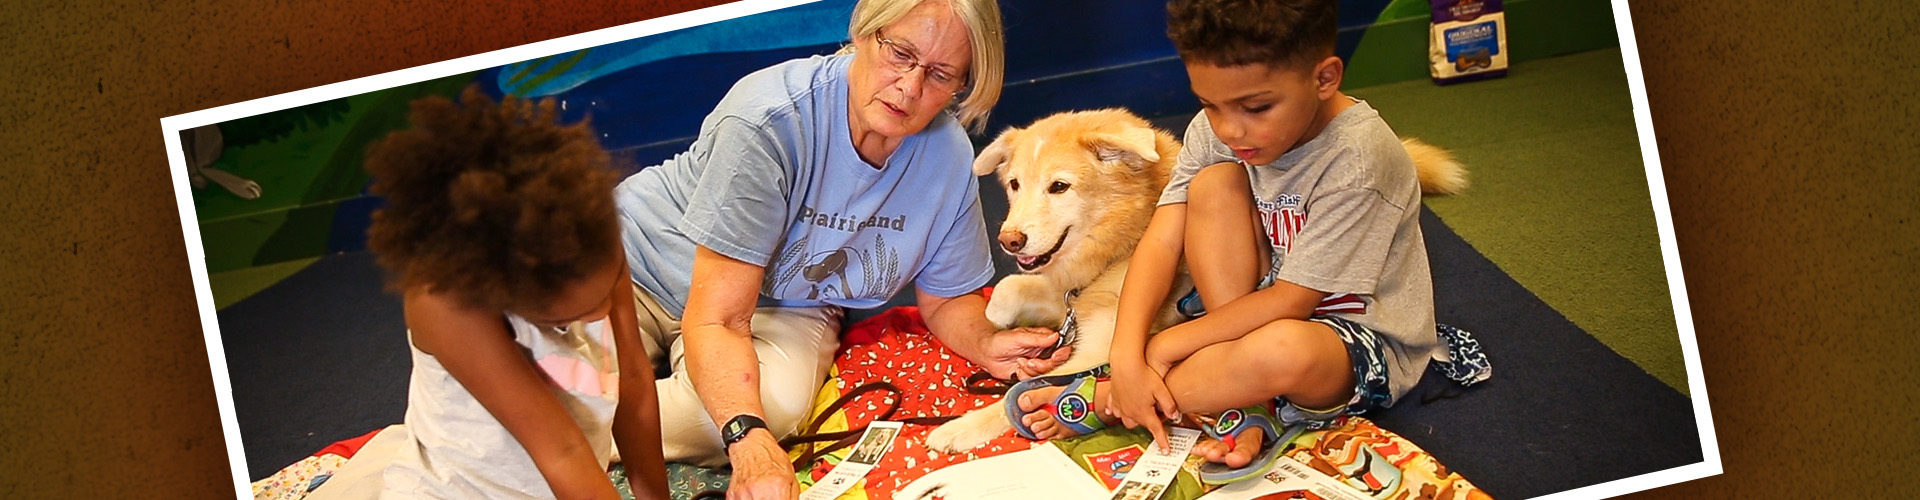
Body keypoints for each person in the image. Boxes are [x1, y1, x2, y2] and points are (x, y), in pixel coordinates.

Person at [1007, 0, 1488, 482]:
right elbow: (1161, 241)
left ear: (1324, 79)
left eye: (1256, 107)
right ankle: (1246, 401)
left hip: (1350, 338)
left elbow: (1295, 300)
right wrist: (1129, 354)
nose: (1229, 129)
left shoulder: (1360, 158)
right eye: (1209, 105)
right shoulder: (1219, 131)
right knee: (1212, 184)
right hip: (1248, 311)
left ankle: (1108, 400)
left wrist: (1154, 355)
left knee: (1283, 349)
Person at [613, 0, 1072, 498]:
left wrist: (985, 344)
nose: (911, 88)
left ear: (964, 85)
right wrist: (746, 442)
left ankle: (580, 416)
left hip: (786, 304)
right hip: (637, 267)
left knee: (777, 412)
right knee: (731, 420)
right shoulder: (768, 118)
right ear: (862, 32)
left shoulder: (947, 153)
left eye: (941, 75)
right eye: (900, 53)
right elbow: (720, 319)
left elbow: (946, 298)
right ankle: (563, 416)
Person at [344, 87, 669, 499]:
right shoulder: (444, 301)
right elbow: (561, 449)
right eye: (563, 319)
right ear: (501, 293)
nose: (602, 312)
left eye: (608, 290)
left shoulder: (589, 237)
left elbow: (636, 380)